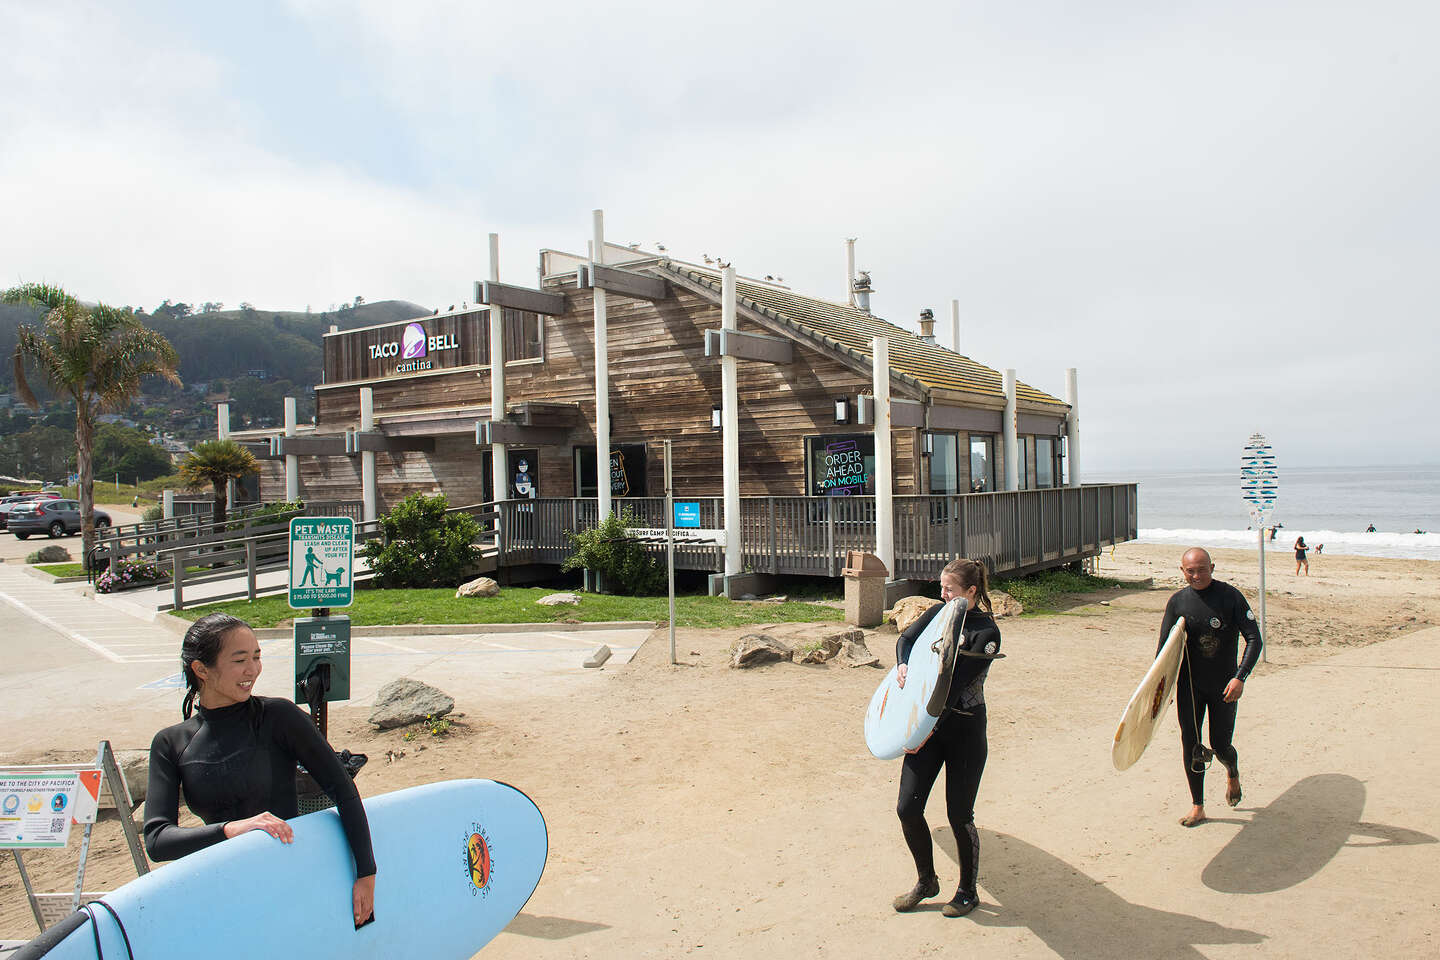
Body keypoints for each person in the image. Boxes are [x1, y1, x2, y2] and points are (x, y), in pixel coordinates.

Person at [144, 613, 377, 926]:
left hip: (289, 881)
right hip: (224, 890)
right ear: (201, 669)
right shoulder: (171, 743)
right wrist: (230, 830)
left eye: (256, 657)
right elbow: (157, 840)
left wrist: (366, 874)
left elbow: (344, 792)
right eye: (240, 660)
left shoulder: (278, 717)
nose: (252, 670)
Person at [891, 558, 1001, 918]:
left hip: (964, 731)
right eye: (941, 587)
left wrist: (923, 731)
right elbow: (906, 639)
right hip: (929, 728)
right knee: (907, 808)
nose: (943, 594)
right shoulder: (938, 614)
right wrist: (903, 664)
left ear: (971, 591)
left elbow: (951, 689)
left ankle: (968, 892)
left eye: (949, 589)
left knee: (959, 814)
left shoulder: (986, 633)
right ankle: (927, 881)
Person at [1159, 548, 1263, 827]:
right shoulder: (1178, 602)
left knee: (1220, 745)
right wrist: (1161, 691)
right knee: (1191, 744)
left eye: (1202, 569)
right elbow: (1164, 651)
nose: (1196, 575)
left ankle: (1232, 772)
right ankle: (1198, 806)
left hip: (1224, 687)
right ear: (1182, 571)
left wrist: (1240, 677)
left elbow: (1254, 639)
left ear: (1212, 567)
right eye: (1190, 571)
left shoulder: (1230, 597)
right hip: (1190, 687)